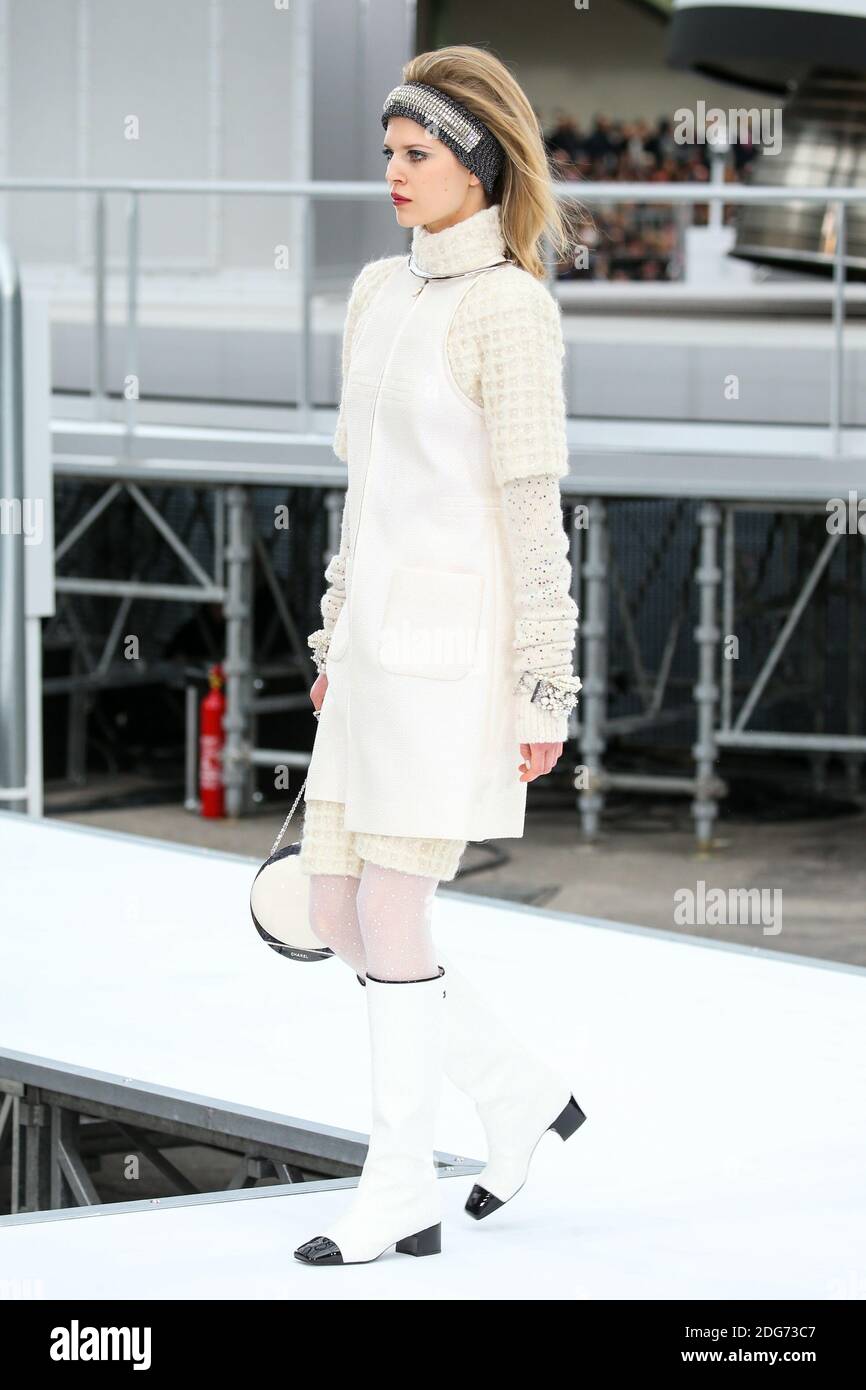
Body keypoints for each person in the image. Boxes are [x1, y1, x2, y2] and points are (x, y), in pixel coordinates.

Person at [293, 45, 587, 1268]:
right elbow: (365, 494)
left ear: (476, 165)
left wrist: (545, 675)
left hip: (452, 661)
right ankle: (517, 1095)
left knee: (391, 903)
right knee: (331, 910)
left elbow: (531, 507)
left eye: (417, 154)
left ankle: (400, 1180)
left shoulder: (510, 309)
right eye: (387, 154)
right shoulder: (376, 291)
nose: (394, 173)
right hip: (367, 660)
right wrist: (331, 627)